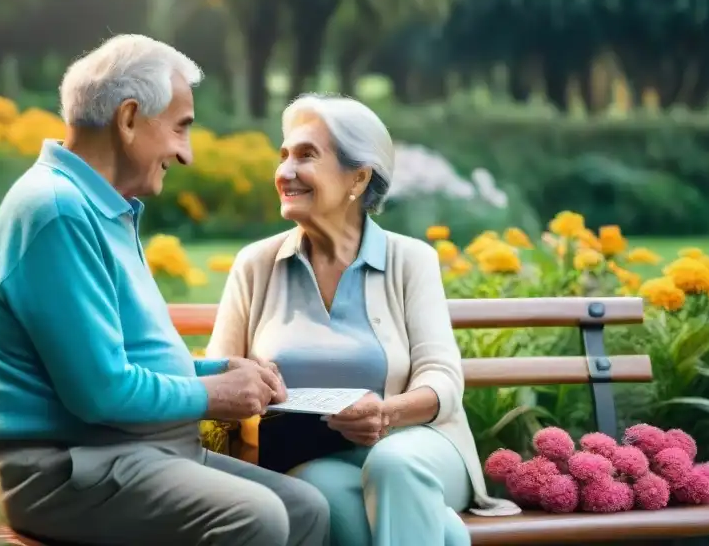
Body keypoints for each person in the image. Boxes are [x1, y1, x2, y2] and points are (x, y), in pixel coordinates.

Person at [0, 34, 331, 546]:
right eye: (181, 128)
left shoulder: (100, 207)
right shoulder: (55, 210)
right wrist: (212, 394)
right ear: (130, 118)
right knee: (256, 518)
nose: (185, 154)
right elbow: (102, 393)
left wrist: (220, 371)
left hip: (136, 454)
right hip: (70, 469)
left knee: (305, 509)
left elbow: (125, 361)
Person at [206, 94, 519, 546]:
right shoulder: (256, 264)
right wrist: (250, 380)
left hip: (420, 448)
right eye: (284, 156)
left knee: (392, 466)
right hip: (314, 460)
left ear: (358, 177)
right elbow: (221, 374)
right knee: (320, 491)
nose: (285, 172)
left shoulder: (411, 260)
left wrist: (388, 414)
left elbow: (443, 378)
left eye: (306, 156)